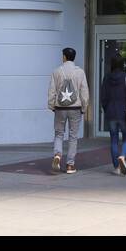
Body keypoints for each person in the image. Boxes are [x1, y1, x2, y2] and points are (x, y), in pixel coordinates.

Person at [48, 46, 89, 174]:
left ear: (64, 57)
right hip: (75, 108)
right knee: (73, 136)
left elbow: (52, 91)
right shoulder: (80, 72)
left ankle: (57, 155)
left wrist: (52, 105)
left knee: (59, 134)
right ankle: (70, 165)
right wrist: (84, 107)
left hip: (60, 107)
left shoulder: (57, 71)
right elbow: (84, 92)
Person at [100, 55, 126, 175]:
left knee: (114, 140)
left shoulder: (106, 78)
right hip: (123, 113)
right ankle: (122, 156)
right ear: (122, 64)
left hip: (111, 112)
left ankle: (116, 167)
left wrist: (106, 109)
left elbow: (103, 97)